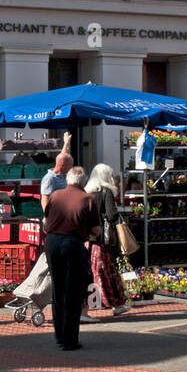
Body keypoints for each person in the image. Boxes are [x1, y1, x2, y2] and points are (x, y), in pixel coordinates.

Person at [43, 166, 101, 351]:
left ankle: (59, 335)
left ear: (68, 180)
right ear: (83, 182)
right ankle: (70, 340)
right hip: (73, 244)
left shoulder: (55, 195)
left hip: (52, 242)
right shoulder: (88, 199)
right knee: (74, 291)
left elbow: (46, 221)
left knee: (58, 290)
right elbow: (96, 230)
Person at [84, 163, 128, 317]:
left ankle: (94, 302)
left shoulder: (87, 191)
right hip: (103, 237)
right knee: (108, 270)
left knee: (92, 270)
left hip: (88, 238)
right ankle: (115, 302)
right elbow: (111, 215)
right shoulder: (106, 192)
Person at [40, 142, 74, 217]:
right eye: (70, 165)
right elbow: (45, 199)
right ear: (63, 166)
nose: (71, 168)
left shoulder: (63, 175)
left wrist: (66, 143)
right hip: (56, 218)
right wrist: (48, 218)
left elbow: (62, 157)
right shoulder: (49, 179)